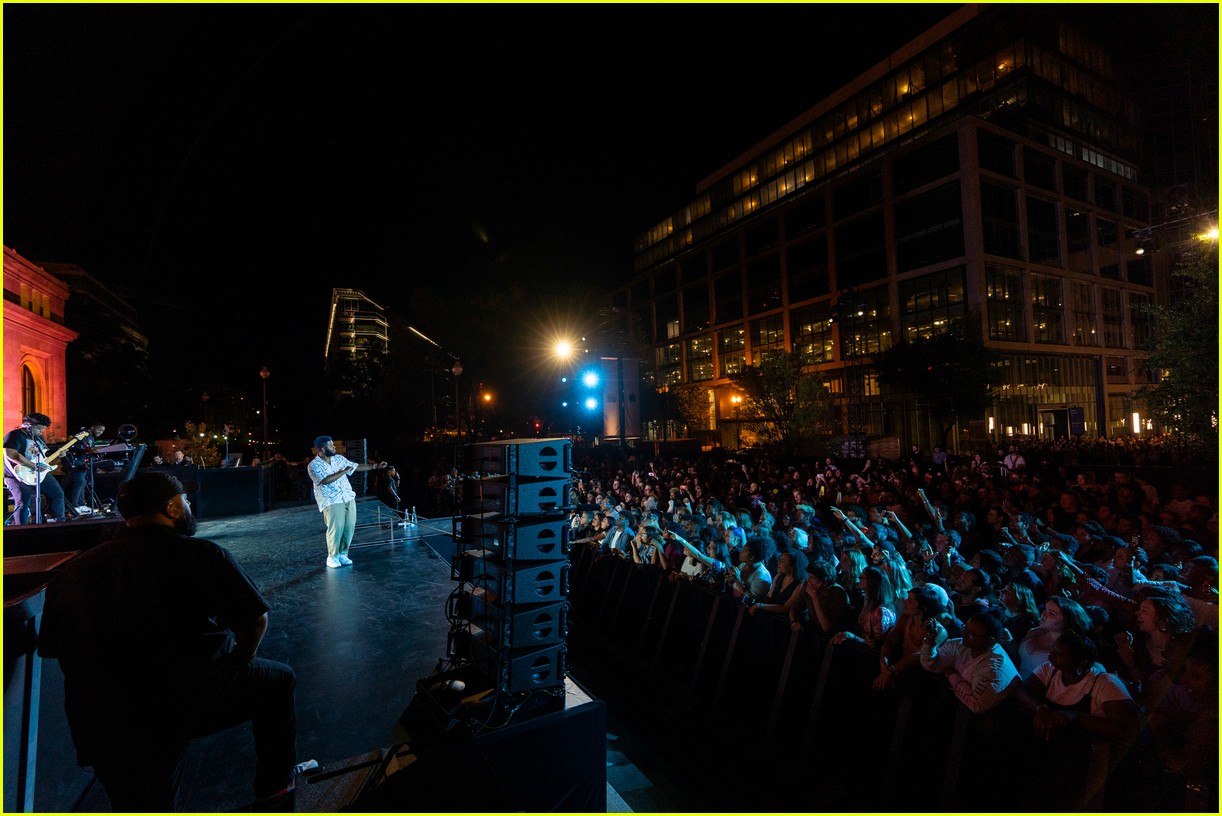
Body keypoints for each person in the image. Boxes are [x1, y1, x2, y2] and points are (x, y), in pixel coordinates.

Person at [37, 472, 301, 811]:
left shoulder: (74, 571)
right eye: (184, 500)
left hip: (102, 716)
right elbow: (255, 621)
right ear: (172, 508)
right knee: (279, 680)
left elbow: (56, 649)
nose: (189, 505)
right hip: (186, 696)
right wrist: (240, 659)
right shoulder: (202, 554)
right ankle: (275, 789)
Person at [308, 435, 386, 568]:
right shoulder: (313, 465)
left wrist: (375, 466)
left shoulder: (339, 459)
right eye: (331, 445)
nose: (334, 447)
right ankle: (332, 556)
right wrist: (344, 471)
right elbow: (325, 480)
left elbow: (355, 466)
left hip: (347, 496)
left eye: (333, 444)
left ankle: (343, 554)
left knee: (349, 527)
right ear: (321, 449)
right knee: (336, 528)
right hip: (331, 500)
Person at [919, 611, 1021, 713]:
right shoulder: (961, 645)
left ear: (990, 640)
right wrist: (929, 644)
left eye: (972, 634)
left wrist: (952, 674)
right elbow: (932, 665)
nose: (964, 634)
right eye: (965, 628)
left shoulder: (994, 669)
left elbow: (976, 704)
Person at [3, 412, 69, 524]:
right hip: (16, 475)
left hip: (37, 473)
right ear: (28, 425)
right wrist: (33, 466)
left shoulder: (39, 438)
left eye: (43, 429)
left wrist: (59, 455)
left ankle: (59, 523)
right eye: (39, 428)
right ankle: (21, 530)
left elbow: (43, 457)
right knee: (23, 503)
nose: (41, 431)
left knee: (58, 494)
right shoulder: (14, 435)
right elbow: (11, 454)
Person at [61, 421, 108, 515]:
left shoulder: (91, 437)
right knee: (79, 482)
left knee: (82, 482)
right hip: (75, 461)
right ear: (93, 427)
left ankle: (81, 504)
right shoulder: (84, 434)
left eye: (102, 431)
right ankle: (74, 505)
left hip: (81, 461)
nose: (100, 432)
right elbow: (77, 445)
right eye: (99, 429)